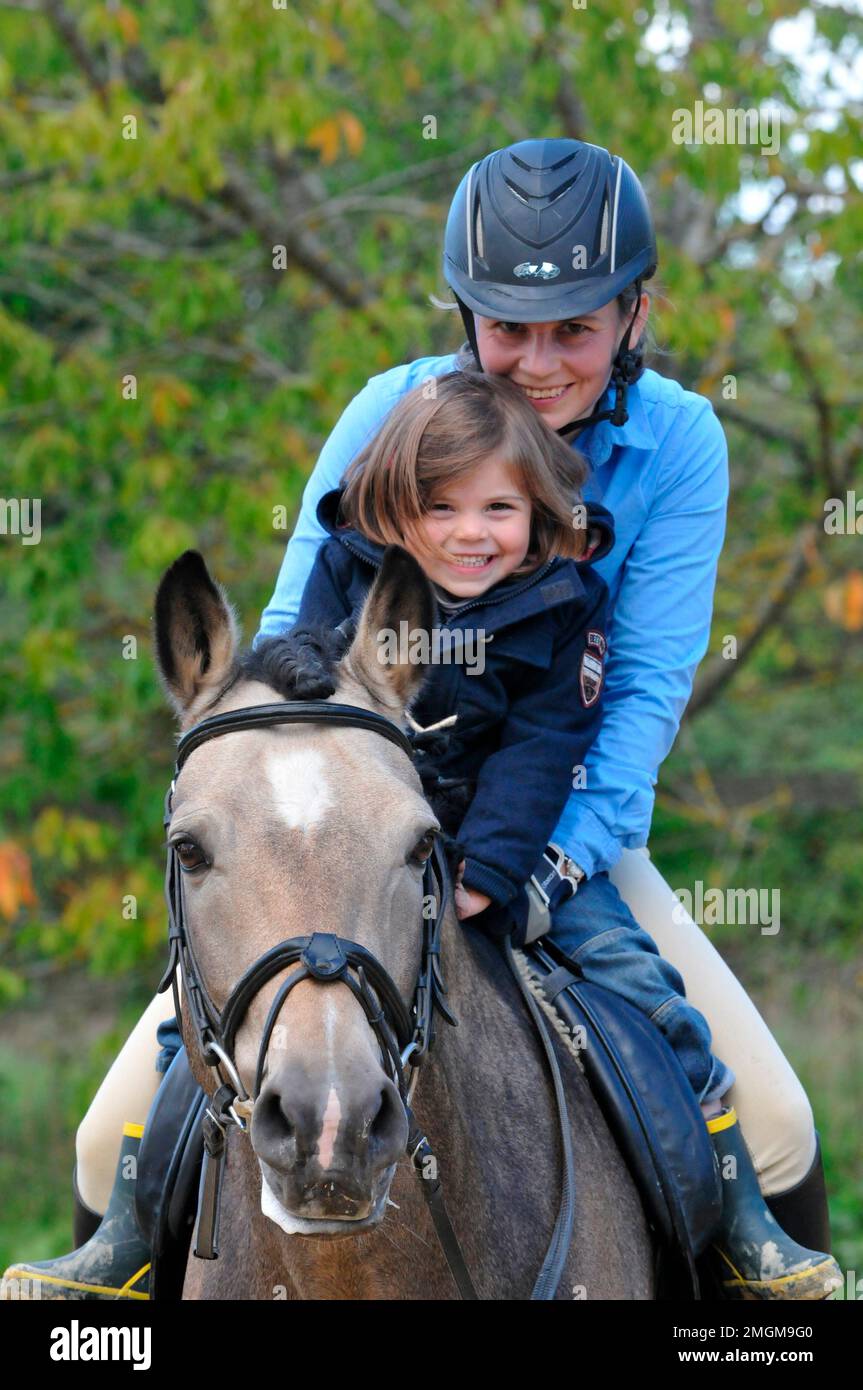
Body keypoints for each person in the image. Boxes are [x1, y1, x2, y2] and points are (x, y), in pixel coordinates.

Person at [4, 137, 837, 1301]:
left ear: (635, 312)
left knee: (783, 1119)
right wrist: (323, 839)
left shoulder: (681, 443)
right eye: (508, 328)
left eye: (575, 329)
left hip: (557, 825)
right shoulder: (384, 413)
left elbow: (636, 696)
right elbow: (296, 647)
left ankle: (751, 1283)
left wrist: (536, 867)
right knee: (108, 1137)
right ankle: (117, 1266)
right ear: (464, 315)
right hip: (346, 836)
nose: (539, 363)